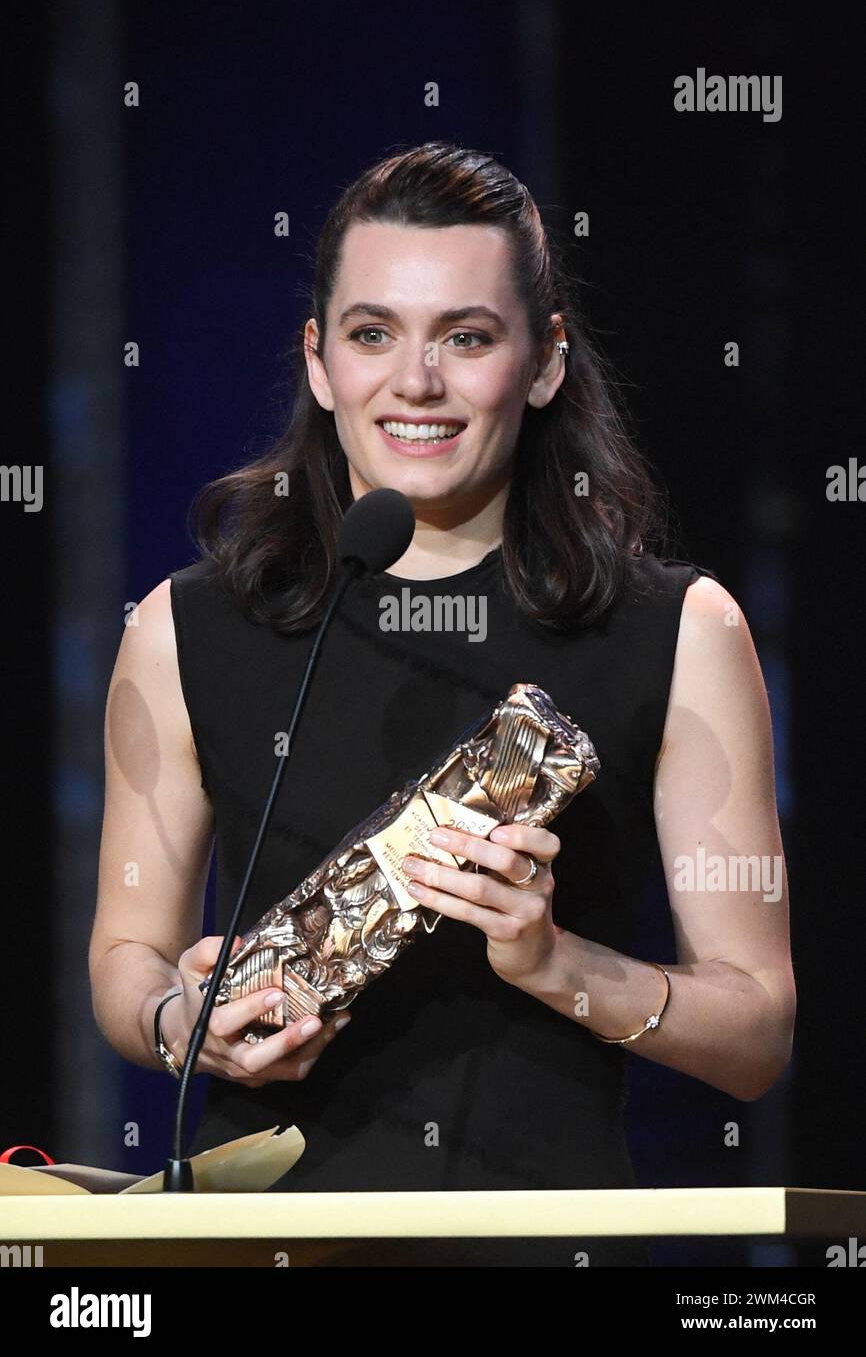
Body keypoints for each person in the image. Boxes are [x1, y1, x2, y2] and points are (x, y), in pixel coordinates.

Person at [89, 141, 796, 1266]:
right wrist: (186, 1026)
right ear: (319, 361)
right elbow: (129, 954)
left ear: (545, 359)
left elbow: (755, 1033)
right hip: (261, 1249)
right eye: (372, 334)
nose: (414, 382)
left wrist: (557, 965)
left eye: (464, 337)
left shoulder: (678, 629)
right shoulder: (185, 628)